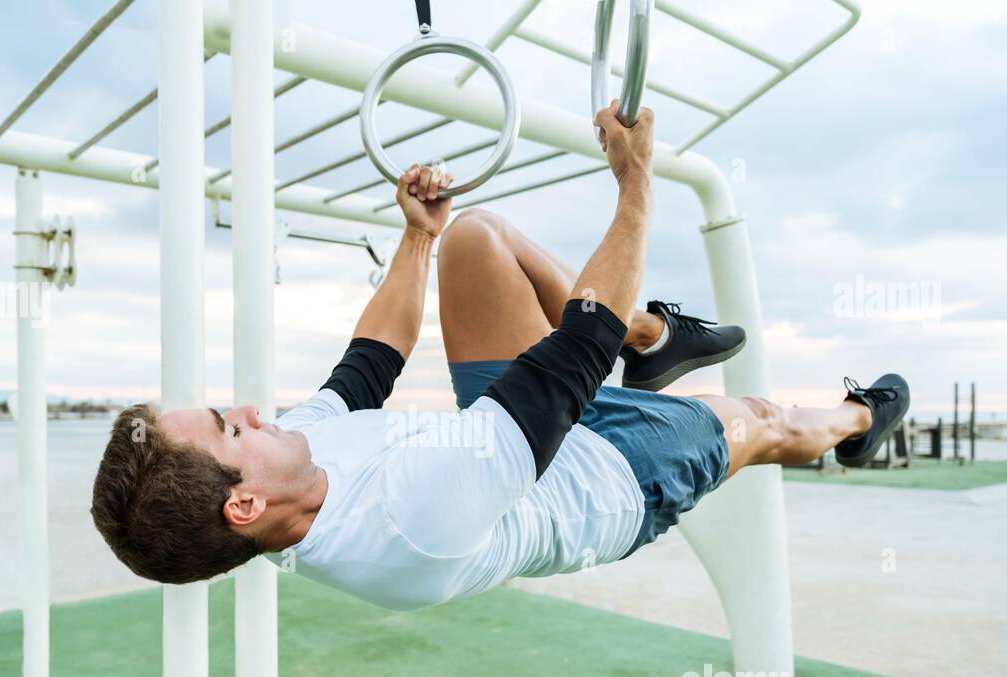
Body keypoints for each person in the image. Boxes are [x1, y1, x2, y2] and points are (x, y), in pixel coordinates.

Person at [90, 102, 909, 609]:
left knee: (475, 239)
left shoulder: (291, 464)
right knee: (762, 422)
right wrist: (636, 184)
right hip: (610, 481)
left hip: (502, 427)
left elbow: (369, 362)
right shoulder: (409, 527)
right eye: (229, 430)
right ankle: (861, 420)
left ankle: (652, 342)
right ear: (242, 507)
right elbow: (577, 349)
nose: (247, 410)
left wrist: (418, 236)